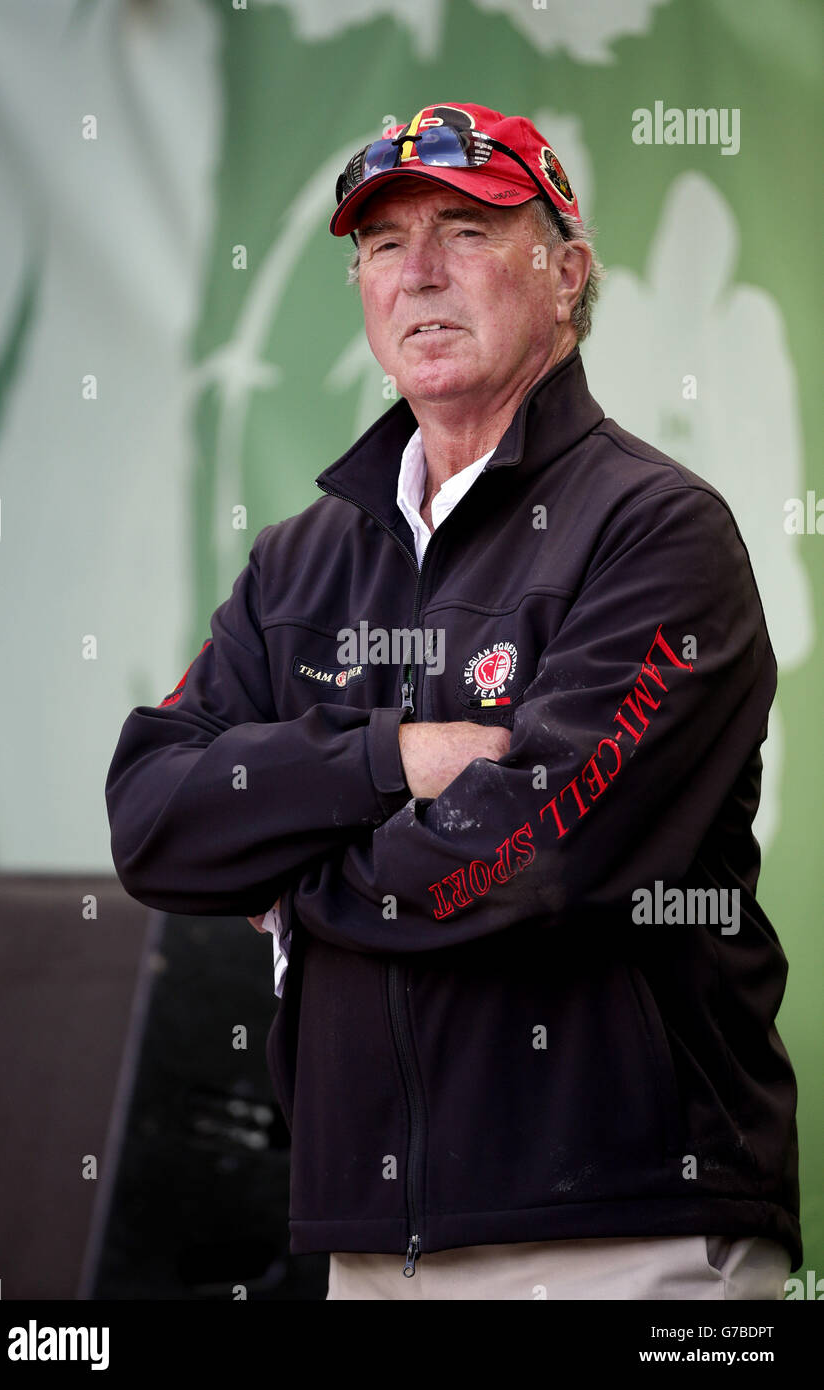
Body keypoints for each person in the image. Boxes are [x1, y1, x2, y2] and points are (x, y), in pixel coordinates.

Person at [105, 102, 801, 1300]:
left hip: (625, 1238)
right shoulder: (296, 561)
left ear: (566, 274)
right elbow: (152, 820)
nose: (417, 271)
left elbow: (526, 855)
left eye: (467, 229)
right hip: (367, 1249)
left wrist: (293, 877)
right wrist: (388, 758)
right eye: (382, 244)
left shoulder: (656, 530)